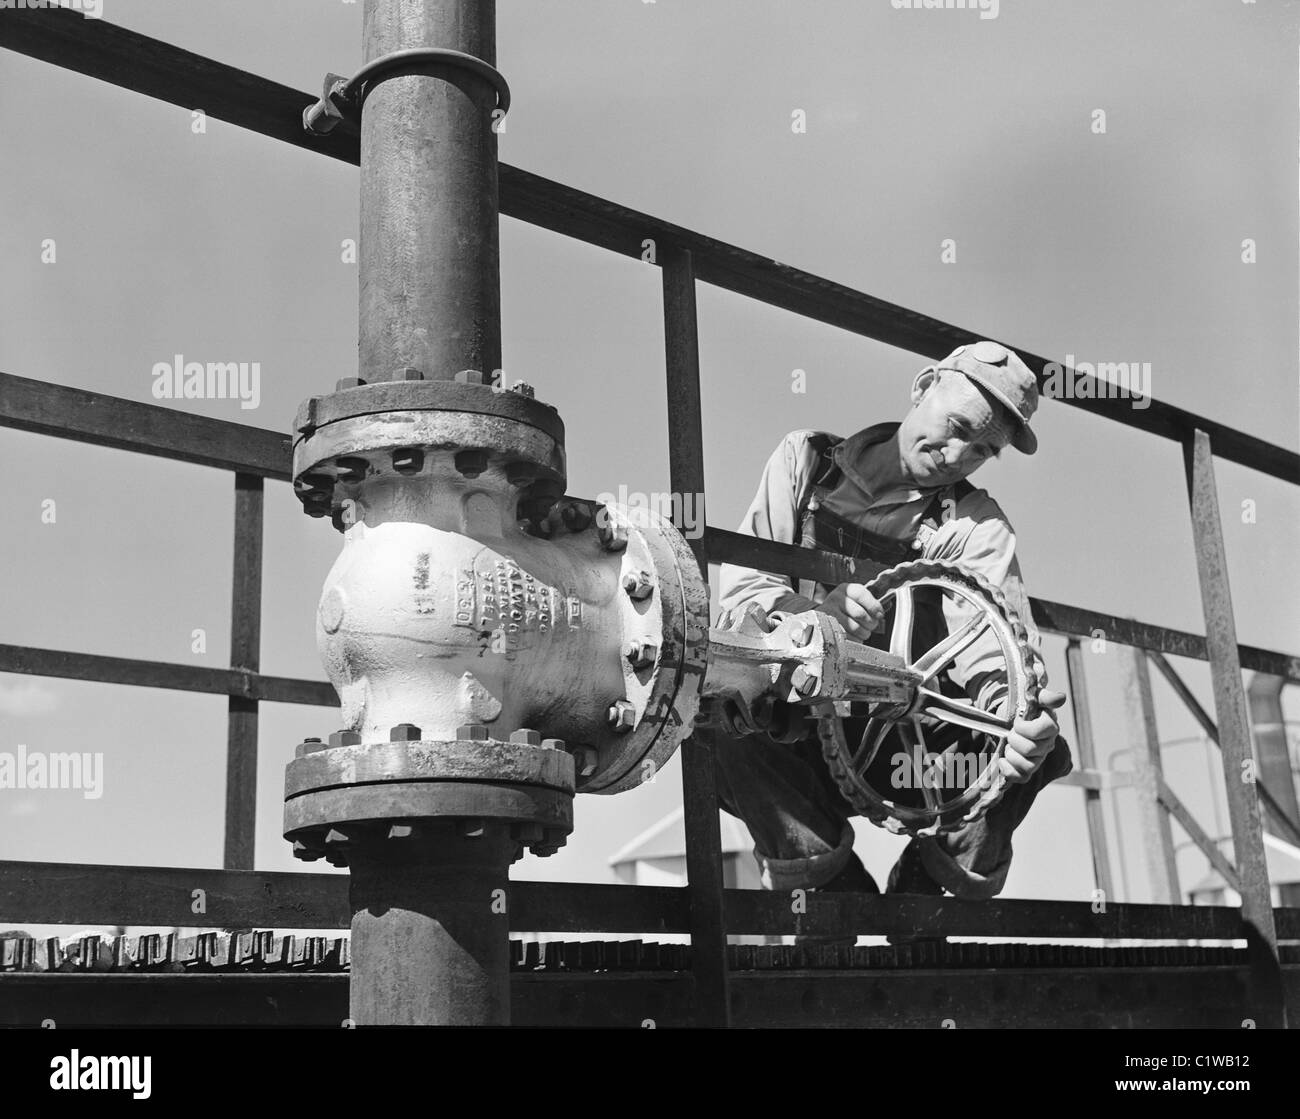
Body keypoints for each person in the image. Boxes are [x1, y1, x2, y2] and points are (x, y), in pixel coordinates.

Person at [712, 340, 1072, 900]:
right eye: (956, 425)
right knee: (719, 711)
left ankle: (926, 893)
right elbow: (744, 592)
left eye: (981, 450)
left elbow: (995, 655)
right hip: (803, 730)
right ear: (923, 387)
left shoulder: (975, 524)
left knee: (1040, 752)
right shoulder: (805, 463)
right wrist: (815, 620)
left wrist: (1015, 718)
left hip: (916, 751)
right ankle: (826, 887)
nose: (956, 455)